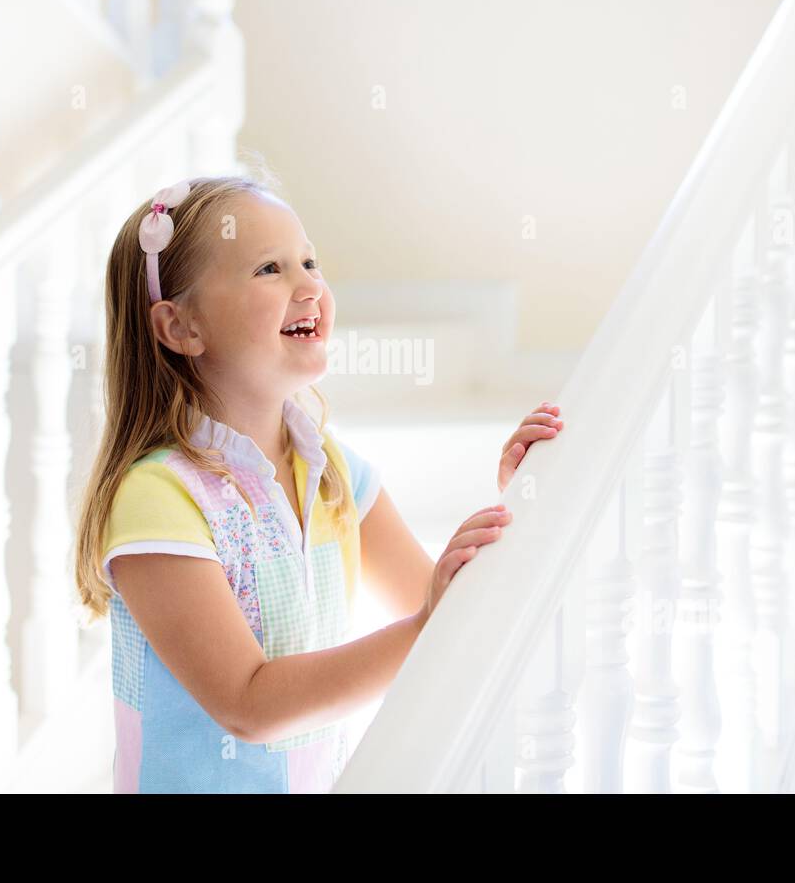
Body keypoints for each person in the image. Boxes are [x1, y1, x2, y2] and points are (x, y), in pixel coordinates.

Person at [72, 173, 564, 792]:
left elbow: (443, 610)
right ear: (181, 328)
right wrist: (419, 627)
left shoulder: (331, 472)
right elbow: (248, 705)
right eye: (269, 269)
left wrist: (518, 501)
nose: (310, 286)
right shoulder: (159, 498)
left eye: (309, 261)